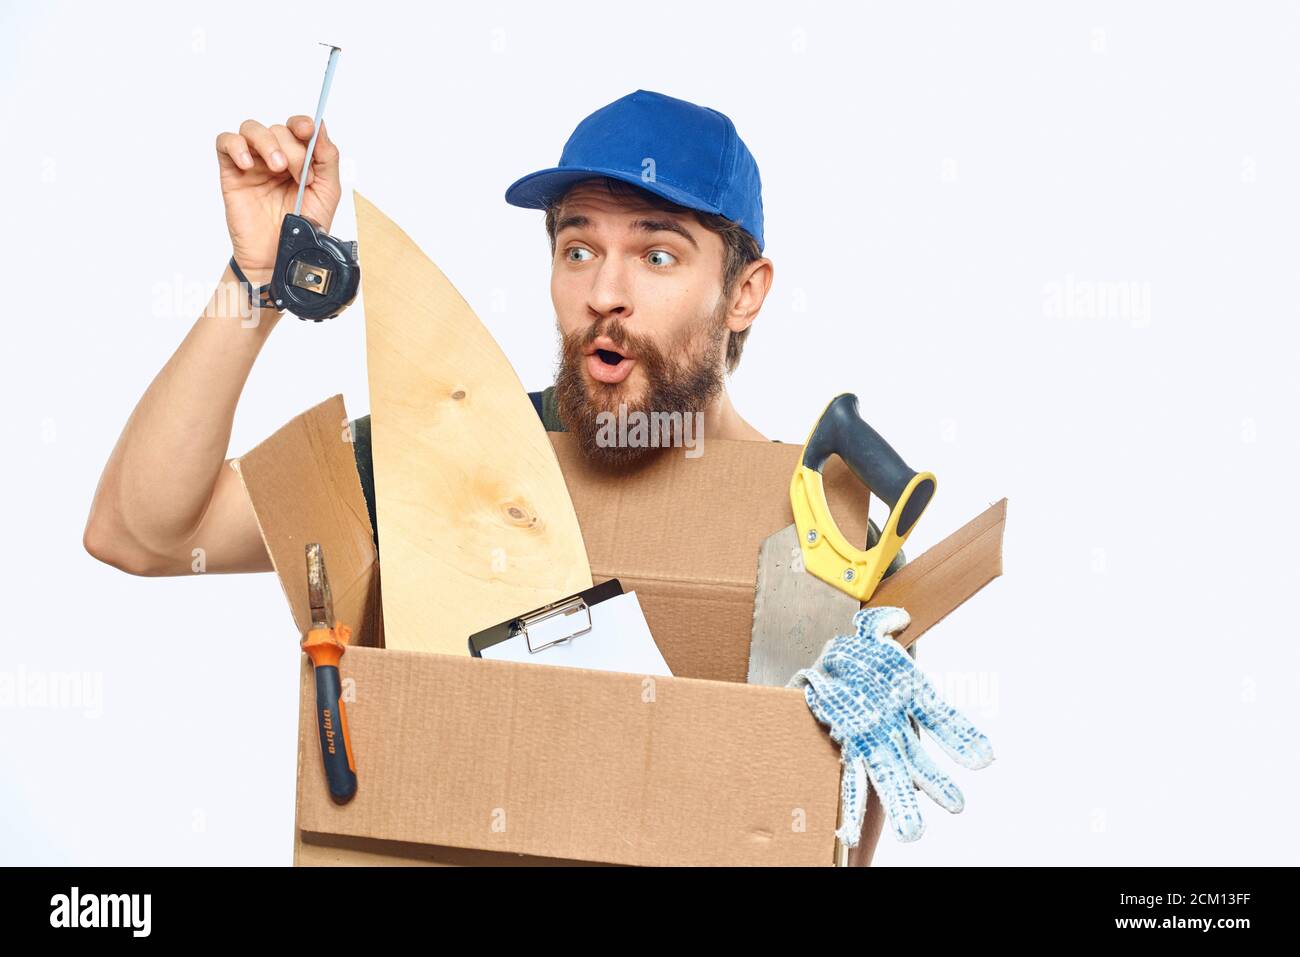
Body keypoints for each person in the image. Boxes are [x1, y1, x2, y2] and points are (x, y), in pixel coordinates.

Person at [83, 89, 778, 574]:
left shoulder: (818, 537)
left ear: (743, 294)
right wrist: (258, 281)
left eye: (657, 256)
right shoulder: (451, 453)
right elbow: (144, 536)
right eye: (579, 249)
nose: (602, 294)